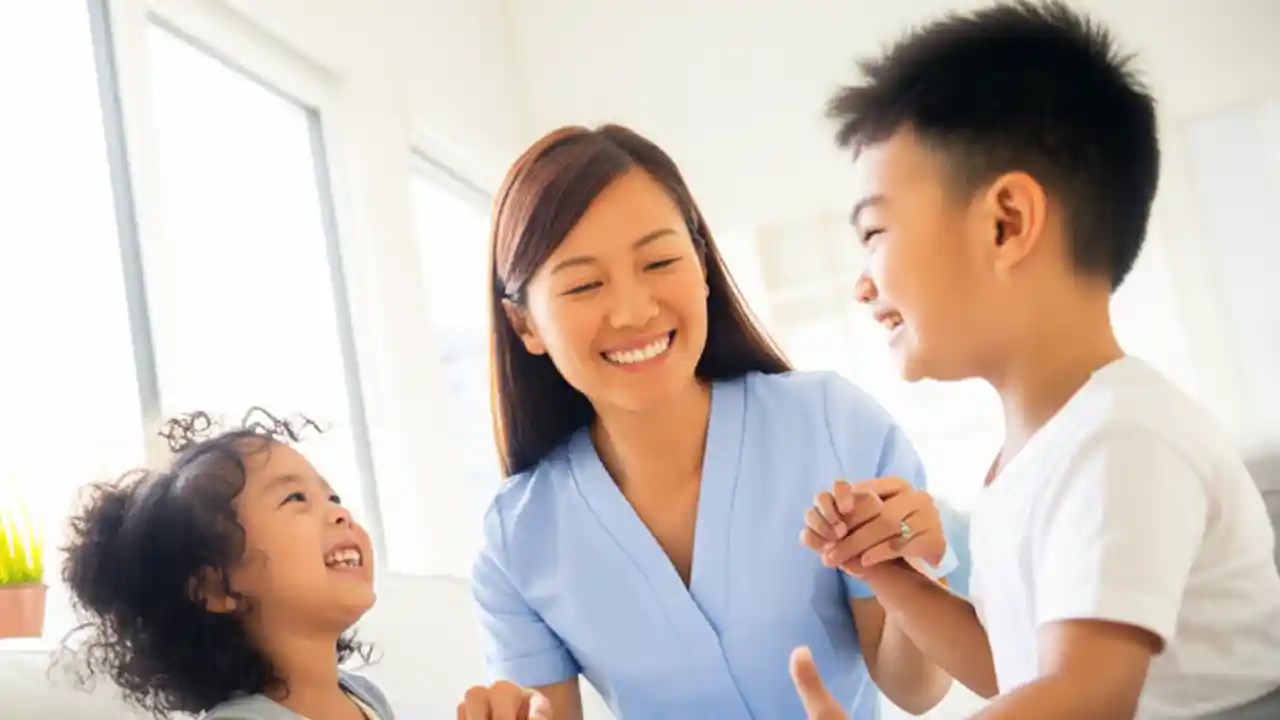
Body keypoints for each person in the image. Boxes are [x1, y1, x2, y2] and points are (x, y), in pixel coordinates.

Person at [796, 2, 1280, 718]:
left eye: (875, 231)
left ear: (1006, 223)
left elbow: (1084, 695)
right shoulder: (1036, 459)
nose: (863, 283)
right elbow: (1013, 671)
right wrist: (888, 576)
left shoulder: (1123, 438)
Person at [458, 124, 962, 719]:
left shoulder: (830, 422)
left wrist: (915, 569)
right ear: (525, 326)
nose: (634, 310)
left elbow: (918, 690)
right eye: (585, 284)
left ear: (701, 264)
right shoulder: (517, 538)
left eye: (660, 261)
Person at [61, 410, 393, 720]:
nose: (341, 514)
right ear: (216, 586)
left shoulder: (365, 697)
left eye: (333, 498)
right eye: (295, 498)